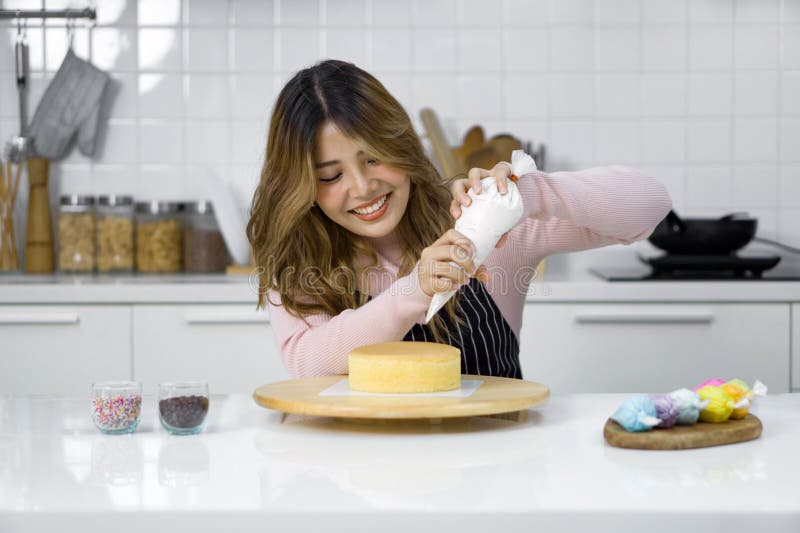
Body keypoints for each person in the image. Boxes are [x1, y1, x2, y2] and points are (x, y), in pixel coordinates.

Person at [247, 60, 672, 379]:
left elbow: (651, 205)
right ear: (302, 184)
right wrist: (416, 289)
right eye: (331, 176)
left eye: (374, 158)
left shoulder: (476, 225)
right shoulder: (300, 256)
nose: (361, 187)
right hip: (364, 477)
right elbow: (308, 363)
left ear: (402, 144)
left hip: (495, 473)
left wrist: (526, 195)